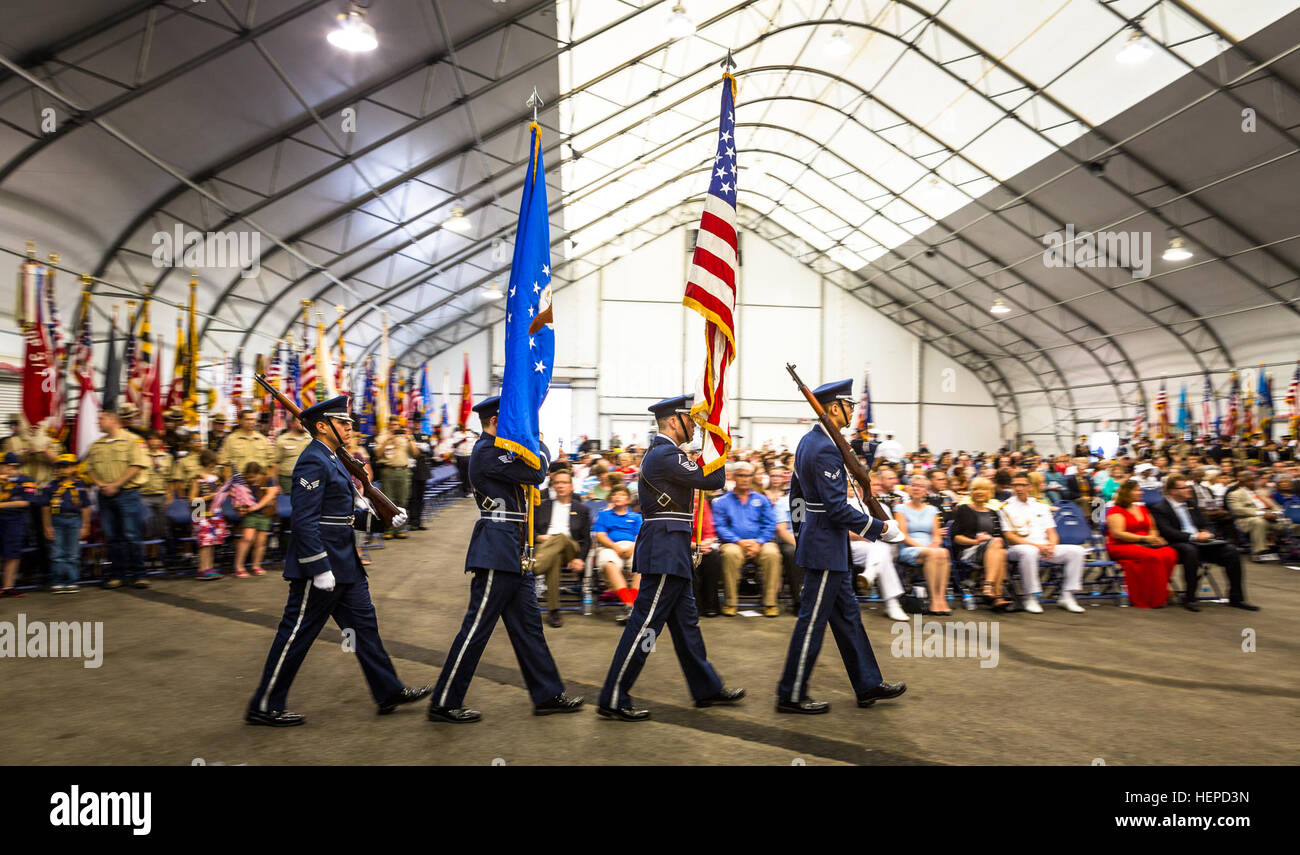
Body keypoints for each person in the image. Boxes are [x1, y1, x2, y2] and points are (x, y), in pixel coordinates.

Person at [246, 395, 429, 727]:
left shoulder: (333, 459)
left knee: (363, 630)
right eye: (342, 422)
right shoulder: (313, 460)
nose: (349, 427)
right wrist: (317, 567)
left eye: (348, 423)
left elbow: (342, 515)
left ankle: (387, 690)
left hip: (346, 565)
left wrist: (383, 520)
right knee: (296, 634)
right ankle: (264, 705)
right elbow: (304, 521)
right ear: (322, 426)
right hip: (322, 568)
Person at [428, 396, 582, 723]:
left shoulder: (499, 451)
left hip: (514, 548)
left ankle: (547, 694)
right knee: (477, 628)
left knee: (528, 628)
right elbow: (539, 470)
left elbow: (537, 467)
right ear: (498, 421)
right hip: (497, 548)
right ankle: (444, 701)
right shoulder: (487, 452)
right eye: (516, 419)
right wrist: (537, 443)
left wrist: (534, 444)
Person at [596, 394, 744, 721]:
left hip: (670, 547)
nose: (695, 424)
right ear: (674, 421)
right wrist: (713, 442)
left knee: (687, 626)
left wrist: (708, 442)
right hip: (664, 549)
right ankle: (614, 694)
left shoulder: (665, 454)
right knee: (645, 627)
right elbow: (714, 480)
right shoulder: (665, 453)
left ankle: (706, 687)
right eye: (691, 419)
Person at [776, 379, 906, 715]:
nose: (853, 411)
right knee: (812, 621)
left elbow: (796, 498)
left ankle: (867, 683)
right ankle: (791, 694)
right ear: (835, 407)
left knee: (848, 616)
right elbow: (834, 508)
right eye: (849, 405)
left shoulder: (809, 442)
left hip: (823, 543)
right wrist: (880, 529)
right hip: (824, 546)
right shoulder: (825, 447)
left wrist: (802, 530)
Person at [1149, 475, 1258, 612]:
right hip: (1178, 544)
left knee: (1231, 551)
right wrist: (1194, 536)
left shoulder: (1191, 504)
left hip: (1202, 543)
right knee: (1190, 551)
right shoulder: (1160, 508)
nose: (1189, 490)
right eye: (1184, 487)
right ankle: (1190, 598)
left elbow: (1207, 523)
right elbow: (1168, 532)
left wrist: (1209, 533)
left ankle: (1236, 597)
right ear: (1173, 491)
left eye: (1188, 486)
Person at [1000, 470, 1086, 614]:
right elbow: (1009, 536)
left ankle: (1067, 595)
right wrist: (1038, 546)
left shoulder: (1041, 505)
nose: (1019, 488)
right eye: (1015, 485)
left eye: (1022, 485)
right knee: (1030, 552)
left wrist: (1051, 546)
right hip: (1020, 548)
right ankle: (1030, 597)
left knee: (1077, 551)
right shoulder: (1005, 507)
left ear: (1029, 486)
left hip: (1045, 547)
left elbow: (1051, 532)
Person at [86, 407, 151, 589]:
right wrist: (100, 484)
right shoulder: (96, 445)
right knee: (112, 537)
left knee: (131, 535)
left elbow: (137, 465)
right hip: (105, 496)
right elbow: (89, 468)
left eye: (101, 419)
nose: (98, 422)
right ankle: (117, 575)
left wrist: (116, 485)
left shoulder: (131, 440)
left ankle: (139, 574)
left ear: (112, 420)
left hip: (127, 494)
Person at [712, 462, 781, 617]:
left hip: (760, 544)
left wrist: (759, 542)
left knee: (772, 553)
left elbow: (770, 524)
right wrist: (739, 541)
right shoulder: (722, 501)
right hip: (733, 544)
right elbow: (720, 527)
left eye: (748, 475)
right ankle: (730, 603)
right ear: (734, 477)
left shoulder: (762, 500)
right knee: (730, 554)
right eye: (741, 475)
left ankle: (770, 603)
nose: (744, 479)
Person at [1105, 480, 1177, 609]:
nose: (1141, 492)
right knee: (1153, 556)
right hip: (1121, 545)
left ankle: (1162, 588)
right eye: (1137, 490)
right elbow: (1118, 534)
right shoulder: (1116, 510)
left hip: (1145, 542)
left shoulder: (1142, 508)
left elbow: (1152, 527)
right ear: (1128, 493)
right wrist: (1144, 539)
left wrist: (1154, 537)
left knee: (1169, 553)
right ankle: (1152, 597)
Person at [533, 468, 592, 627]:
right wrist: (539, 537)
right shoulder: (542, 506)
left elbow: (587, 540)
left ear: (571, 486)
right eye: (557, 482)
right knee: (554, 559)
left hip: (570, 548)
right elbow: (528, 530)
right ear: (552, 486)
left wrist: (580, 559)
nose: (560, 486)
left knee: (561, 537)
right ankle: (554, 611)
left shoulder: (582, 509)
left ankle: (533, 568)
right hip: (545, 547)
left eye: (564, 482)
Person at [894, 475, 952, 615]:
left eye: (920, 486)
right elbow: (903, 535)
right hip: (909, 547)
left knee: (944, 552)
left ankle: (941, 599)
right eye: (913, 485)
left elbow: (936, 535)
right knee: (934, 553)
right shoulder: (900, 508)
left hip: (931, 548)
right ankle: (933, 600)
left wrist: (935, 544)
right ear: (908, 488)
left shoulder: (932, 509)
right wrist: (925, 548)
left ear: (926, 490)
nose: (916, 488)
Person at [951, 477, 1012, 611]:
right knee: (998, 545)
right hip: (968, 550)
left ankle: (995, 596)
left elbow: (1000, 537)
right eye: (975, 489)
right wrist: (975, 541)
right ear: (971, 492)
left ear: (989, 492)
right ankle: (991, 587)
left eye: (983, 489)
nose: (979, 492)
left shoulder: (993, 513)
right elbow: (956, 538)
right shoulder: (963, 510)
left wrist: (993, 541)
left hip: (992, 551)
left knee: (1001, 550)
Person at [41, 455, 92, 594]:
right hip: (56, 521)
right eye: (60, 466)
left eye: (66, 466)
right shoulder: (50, 486)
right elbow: (45, 507)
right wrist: (47, 526)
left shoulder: (80, 486)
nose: (63, 469)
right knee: (57, 552)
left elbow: (86, 507)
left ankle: (71, 581)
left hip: (75, 521)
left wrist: (86, 526)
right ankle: (58, 581)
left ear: (74, 468)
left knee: (73, 553)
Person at [1226, 470, 1291, 561]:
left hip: (1269, 518)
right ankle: (1258, 552)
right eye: (1250, 480)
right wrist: (1262, 514)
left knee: (1288, 521)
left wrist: (1276, 514)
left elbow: (1276, 506)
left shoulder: (1261, 493)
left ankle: (1291, 549)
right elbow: (1238, 510)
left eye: (1254, 480)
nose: (1253, 482)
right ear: (1242, 482)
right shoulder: (1234, 494)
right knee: (1259, 522)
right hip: (1247, 520)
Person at [231, 461, 280, 578]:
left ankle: (256, 565)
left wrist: (256, 506)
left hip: (264, 513)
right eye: (249, 477)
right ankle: (239, 567)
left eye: (253, 477)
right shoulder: (243, 482)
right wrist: (238, 507)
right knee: (247, 538)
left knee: (261, 541)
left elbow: (270, 495)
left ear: (259, 473)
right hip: (250, 514)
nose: (251, 479)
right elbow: (235, 496)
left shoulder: (268, 479)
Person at [0, 452, 36, 598]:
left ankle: (8, 587)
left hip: (14, 520)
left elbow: (26, 501)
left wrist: (1, 505)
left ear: (9, 466)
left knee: (12, 554)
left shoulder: (26, 480)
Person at [375, 420, 418, 539]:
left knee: (402, 501)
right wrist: (388, 439)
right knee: (388, 501)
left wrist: (409, 438)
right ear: (389, 425)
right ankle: (388, 529)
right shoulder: (383, 437)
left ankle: (399, 529)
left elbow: (415, 453)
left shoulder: (406, 437)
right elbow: (378, 454)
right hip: (388, 471)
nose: (394, 427)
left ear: (399, 426)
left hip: (404, 471)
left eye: (396, 425)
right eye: (392, 425)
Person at [191, 450, 229, 581]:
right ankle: (202, 568)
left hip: (214, 511)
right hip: (200, 510)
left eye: (214, 463)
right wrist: (209, 496)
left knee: (212, 540)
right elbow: (192, 499)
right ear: (205, 462)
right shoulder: (197, 478)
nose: (213, 466)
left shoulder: (216, 478)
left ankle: (209, 567)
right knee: (205, 542)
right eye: (211, 463)